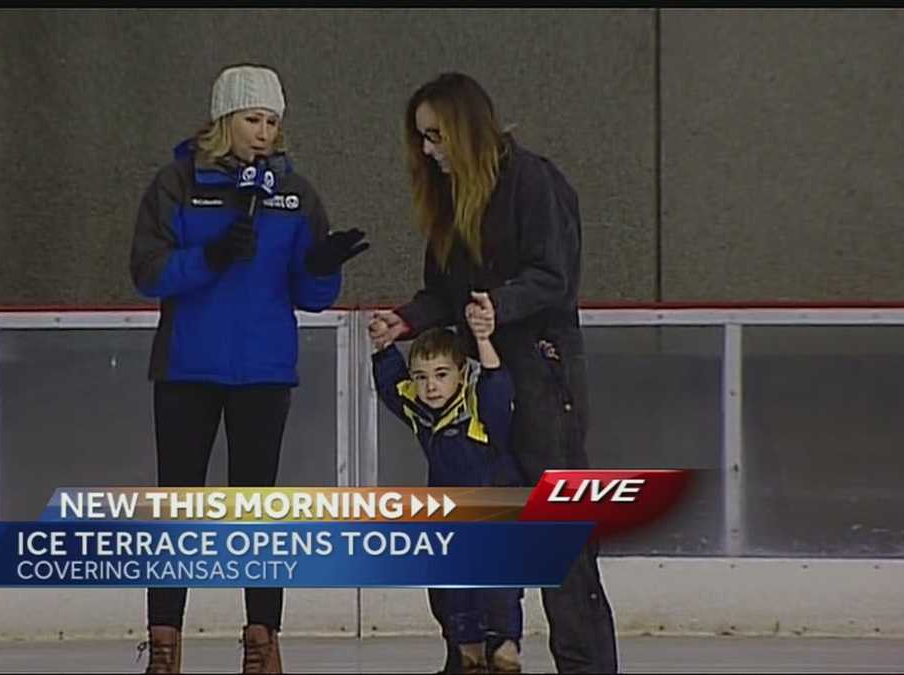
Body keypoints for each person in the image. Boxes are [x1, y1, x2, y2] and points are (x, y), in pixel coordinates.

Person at [368, 72, 619, 673]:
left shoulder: (534, 181)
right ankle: (470, 651)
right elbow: (443, 291)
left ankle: (583, 663)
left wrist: (498, 305)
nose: (428, 151)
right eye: (421, 139)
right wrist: (404, 321)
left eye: (436, 136)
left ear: (465, 127)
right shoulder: (451, 197)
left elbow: (554, 274)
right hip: (481, 375)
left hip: (539, 366)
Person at [129, 63, 369, 674]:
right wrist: (207, 256)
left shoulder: (295, 193)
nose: (263, 133)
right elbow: (148, 271)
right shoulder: (176, 183)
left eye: (271, 122)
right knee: (177, 509)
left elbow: (312, 296)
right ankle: (164, 644)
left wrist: (322, 263)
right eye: (252, 119)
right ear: (224, 121)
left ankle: (261, 642)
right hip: (187, 368)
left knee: (257, 510)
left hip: (262, 371)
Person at [370, 292, 526, 674]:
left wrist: (484, 341)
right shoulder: (416, 405)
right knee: (448, 590)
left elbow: (497, 386)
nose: (431, 386)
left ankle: (505, 647)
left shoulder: (477, 403)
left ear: (461, 373)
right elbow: (392, 384)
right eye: (422, 377)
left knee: (497, 586)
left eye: (441, 375)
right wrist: (383, 348)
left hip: (495, 508)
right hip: (447, 512)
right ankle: (466, 652)